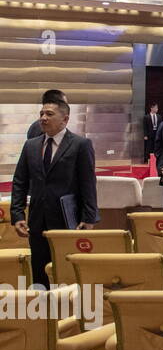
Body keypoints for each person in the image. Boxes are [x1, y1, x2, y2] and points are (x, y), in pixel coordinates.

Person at [10, 97, 98, 288]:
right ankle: (43, 314)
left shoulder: (80, 145)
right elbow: (19, 182)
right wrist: (17, 215)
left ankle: (68, 312)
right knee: (40, 272)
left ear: (65, 119)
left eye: (49, 114)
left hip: (68, 220)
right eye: (41, 114)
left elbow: (88, 183)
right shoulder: (31, 145)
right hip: (37, 221)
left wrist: (89, 218)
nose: (43, 118)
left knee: (66, 272)